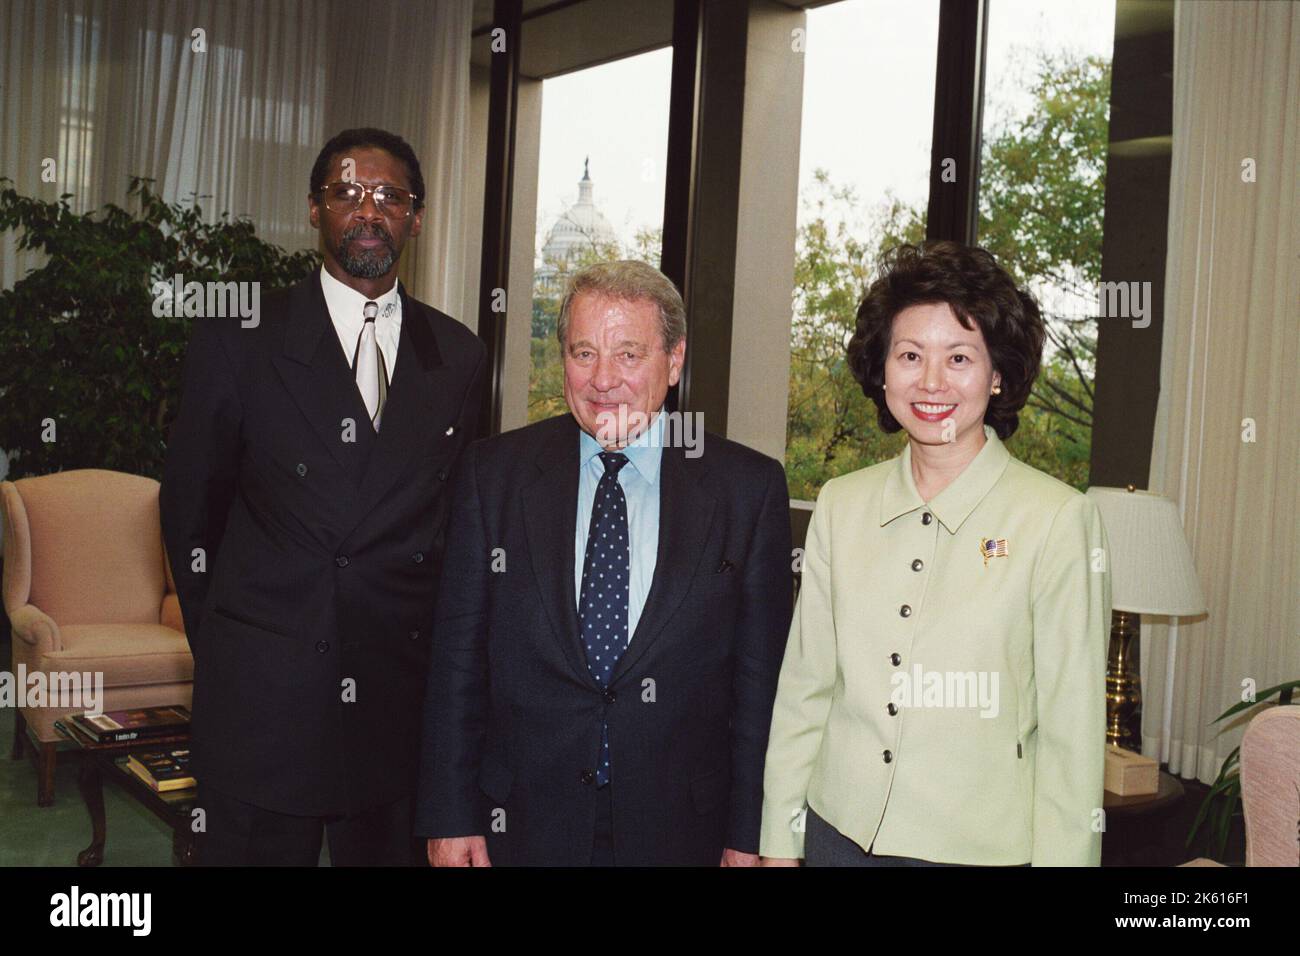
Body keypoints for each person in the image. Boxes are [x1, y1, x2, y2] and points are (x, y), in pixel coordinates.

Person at [160, 127, 486, 865]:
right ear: (314, 209)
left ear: (416, 216)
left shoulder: (459, 355)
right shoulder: (239, 336)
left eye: (390, 197)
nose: (369, 211)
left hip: (395, 701)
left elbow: (456, 529)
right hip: (263, 701)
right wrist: (233, 644)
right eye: (347, 193)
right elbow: (190, 510)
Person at [416, 260, 793, 866]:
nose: (602, 380)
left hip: (682, 832)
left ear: (674, 361)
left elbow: (760, 690)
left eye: (628, 355)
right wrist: (450, 814)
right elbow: (457, 660)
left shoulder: (747, 491)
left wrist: (751, 836)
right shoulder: (494, 476)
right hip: (519, 826)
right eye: (583, 352)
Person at [759, 241, 1109, 867]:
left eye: (959, 358)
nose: (931, 382)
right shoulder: (841, 504)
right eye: (911, 355)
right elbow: (806, 689)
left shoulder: (1058, 519)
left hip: (978, 851)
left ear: (997, 373)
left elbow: (1071, 737)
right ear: (883, 369)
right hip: (835, 836)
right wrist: (780, 843)